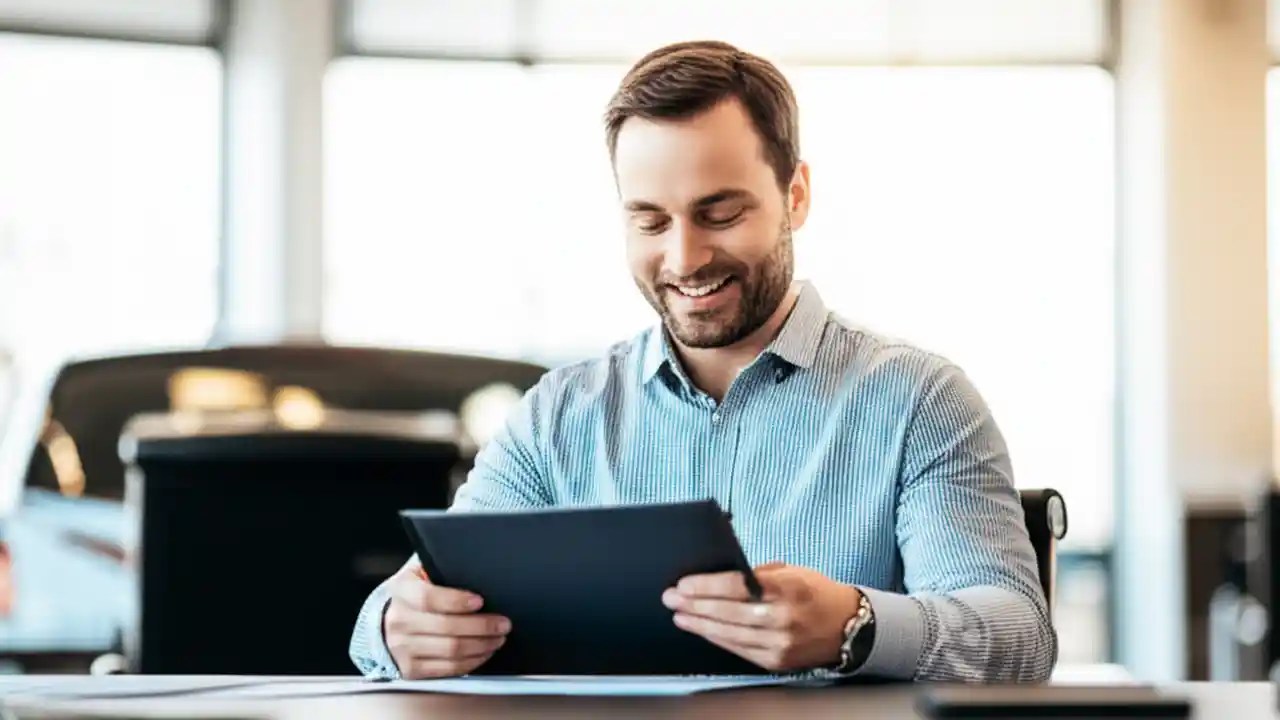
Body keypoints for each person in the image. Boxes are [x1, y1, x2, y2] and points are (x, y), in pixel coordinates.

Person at [349, 40, 1056, 683]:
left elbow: (1019, 637)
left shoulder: (919, 401)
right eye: (650, 221)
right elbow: (396, 608)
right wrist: (397, 625)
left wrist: (855, 622)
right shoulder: (556, 417)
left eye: (720, 214)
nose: (684, 259)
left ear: (795, 197)